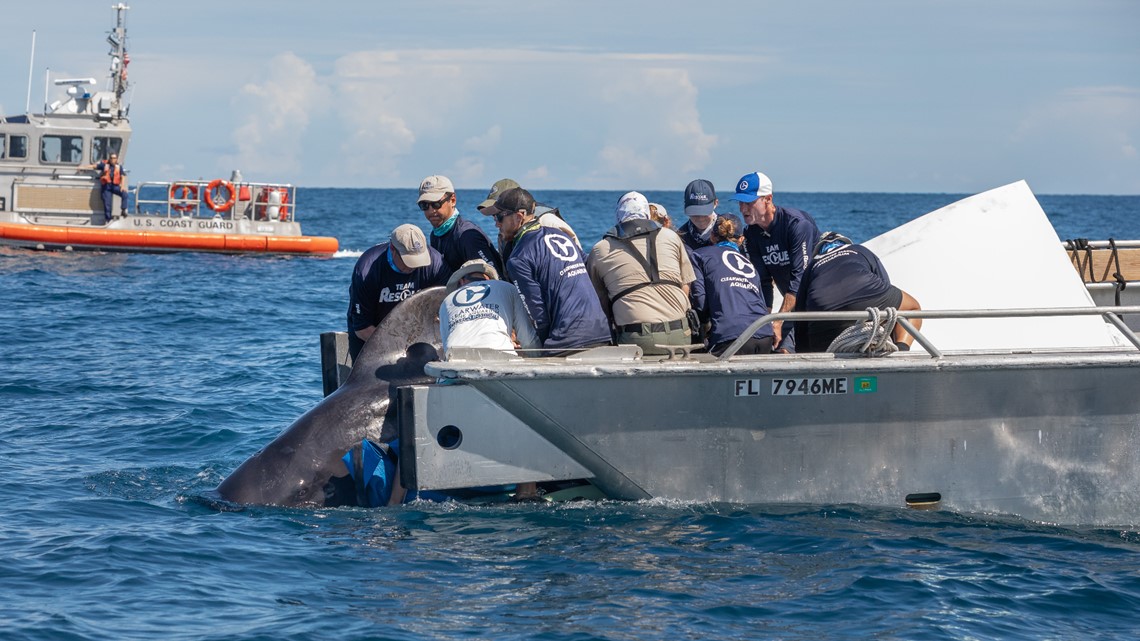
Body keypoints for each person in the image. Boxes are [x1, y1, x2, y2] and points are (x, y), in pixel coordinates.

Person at [486, 187, 611, 354]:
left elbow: (537, 316)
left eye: (499, 217)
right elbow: (590, 271)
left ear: (519, 216)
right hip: (602, 333)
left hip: (567, 342)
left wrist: (545, 350)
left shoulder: (518, 259)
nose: (496, 224)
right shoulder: (563, 236)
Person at [587, 191, 696, 356]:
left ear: (618, 217)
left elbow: (598, 304)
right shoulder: (672, 237)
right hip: (681, 335)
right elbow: (685, 285)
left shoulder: (600, 249)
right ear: (647, 214)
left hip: (636, 339)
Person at [730, 171, 820, 351]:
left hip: (817, 300)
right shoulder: (751, 234)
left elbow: (799, 279)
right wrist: (764, 321)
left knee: (786, 350)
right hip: (793, 306)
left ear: (768, 199)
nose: (742, 209)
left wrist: (777, 322)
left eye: (749, 202)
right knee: (771, 345)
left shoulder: (796, 225)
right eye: (740, 202)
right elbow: (763, 282)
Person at [792, 232, 923, 353]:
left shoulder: (812, 265)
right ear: (845, 243)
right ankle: (901, 351)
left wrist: (803, 352)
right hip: (865, 295)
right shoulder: (859, 249)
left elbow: (800, 314)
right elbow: (884, 281)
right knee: (912, 307)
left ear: (818, 252)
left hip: (823, 313)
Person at [346, 223, 451, 360]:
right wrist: (399, 348)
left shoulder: (435, 262)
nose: (413, 267)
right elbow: (362, 328)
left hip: (416, 329)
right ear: (392, 249)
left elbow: (446, 306)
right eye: (408, 261)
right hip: (373, 332)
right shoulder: (367, 271)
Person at [689, 214, 775, 356]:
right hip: (764, 333)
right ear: (741, 240)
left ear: (712, 236)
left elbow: (700, 300)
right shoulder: (749, 264)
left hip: (730, 336)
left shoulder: (699, 255)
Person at [439, 259, 540, 357]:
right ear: (489, 279)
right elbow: (528, 340)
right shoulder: (508, 288)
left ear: (461, 282)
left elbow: (446, 346)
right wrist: (538, 357)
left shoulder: (446, 301)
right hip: (500, 355)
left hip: (456, 359)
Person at [477, 178, 580, 271]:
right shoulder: (504, 236)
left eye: (499, 215)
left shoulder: (548, 223)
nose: (497, 223)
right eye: (494, 216)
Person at [417, 175, 503, 274]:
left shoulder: (467, 236)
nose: (431, 210)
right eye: (424, 205)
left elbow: (494, 278)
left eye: (436, 204)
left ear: (452, 200)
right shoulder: (435, 235)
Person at [676, 179, 719, 251]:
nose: (700, 218)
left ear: (715, 203)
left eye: (705, 212)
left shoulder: (729, 230)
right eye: (694, 212)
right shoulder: (680, 236)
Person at [83, 153, 127, 223]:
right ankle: (108, 220)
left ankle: (123, 210)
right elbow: (94, 166)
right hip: (107, 187)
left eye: (114, 158)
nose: (113, 159)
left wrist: (122, 186)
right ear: (109, 159)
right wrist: (84, 167)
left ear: (116, 159)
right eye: (112, 158)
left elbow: (123, 176)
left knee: (124, 194)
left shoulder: (119, 167)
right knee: (107, 204)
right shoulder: (105, 165)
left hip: (115, 186)